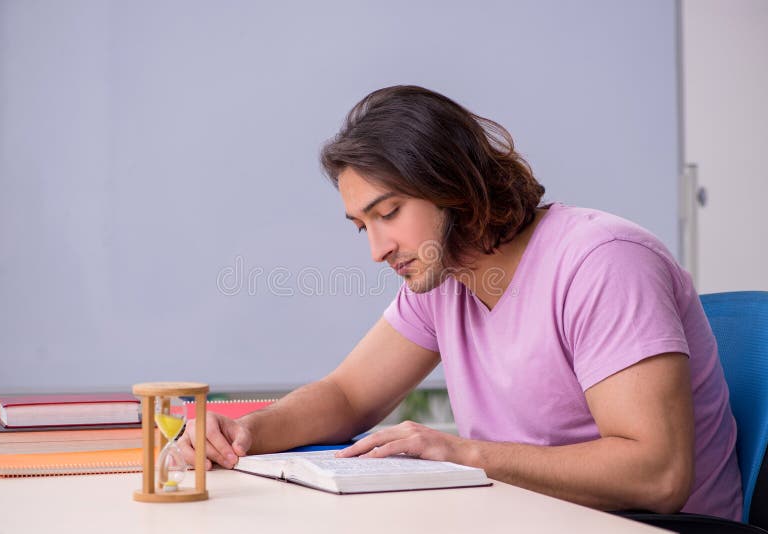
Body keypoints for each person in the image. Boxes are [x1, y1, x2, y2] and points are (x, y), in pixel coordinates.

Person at [178, 85, 742, 519]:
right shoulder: (443, 276)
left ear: (452, 183)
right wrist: (247, 431)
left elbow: (658, 475)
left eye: (389, 213)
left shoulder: (602, 261)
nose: (378, 250)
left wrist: (461, 452)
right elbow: (349, 394)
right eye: (361, 227)